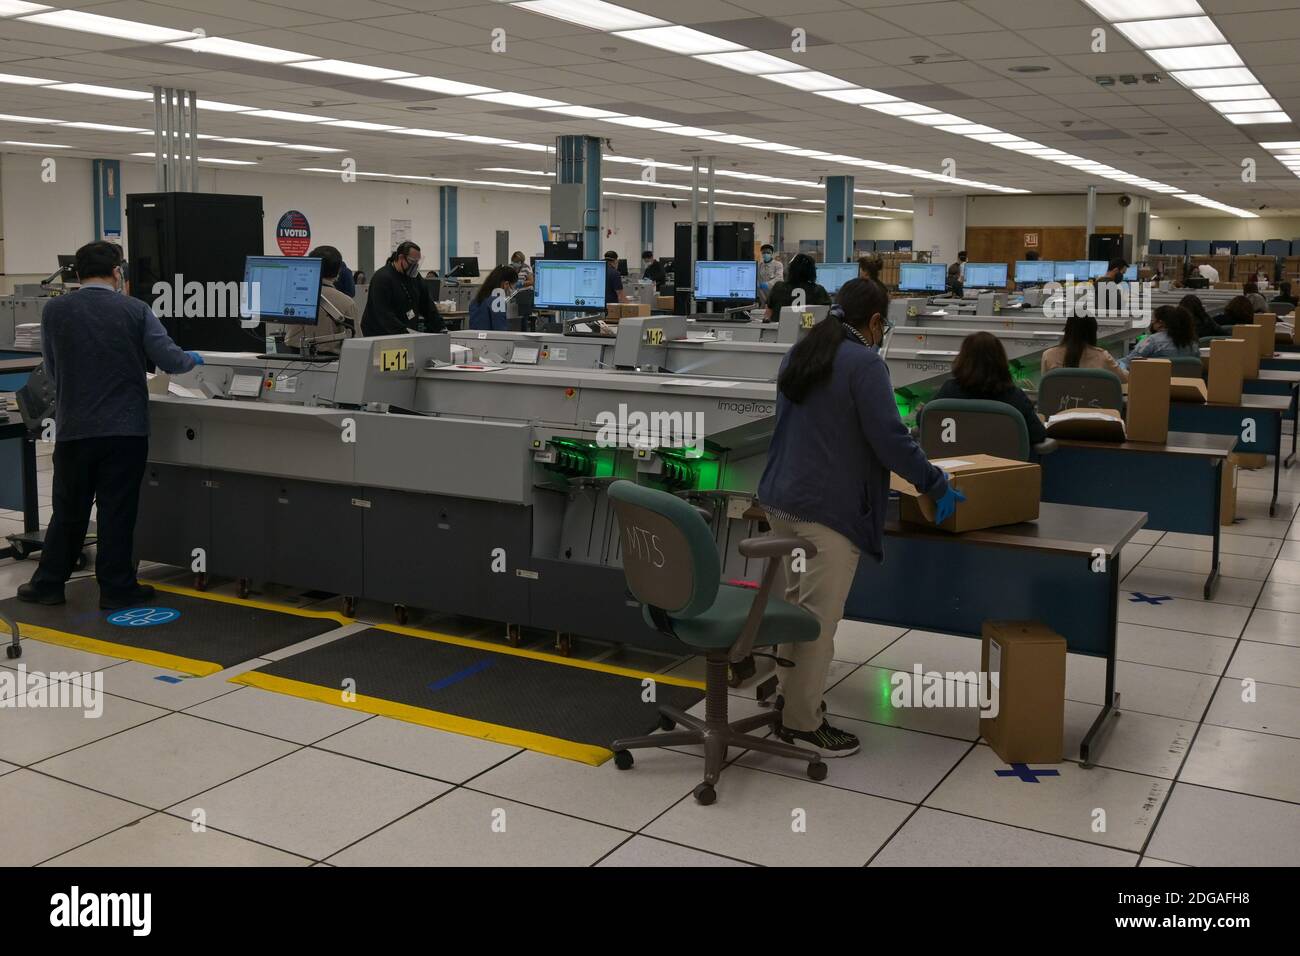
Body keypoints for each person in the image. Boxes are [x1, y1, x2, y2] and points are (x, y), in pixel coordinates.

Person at [757, 277, 962, 757]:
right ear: (873, 322)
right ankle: (803, 724)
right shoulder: (865, 363)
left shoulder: (802, 351)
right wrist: (935, 482)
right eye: (883, 324)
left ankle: (789, 706)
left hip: (779, 504)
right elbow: (891, 442)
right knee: (817, 623)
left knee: (795, 612)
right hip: (823, 515)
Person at [17, 241, 202, 610]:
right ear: (118, 272)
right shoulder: (135, 310)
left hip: (74, 429)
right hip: (125, 431)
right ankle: (116, 589)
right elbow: (169, 358)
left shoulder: (54, 310)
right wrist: (192, 359)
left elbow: (51, 368)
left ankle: (49, 584)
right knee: (117, 511)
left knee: (69, 509)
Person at [934, 332, 1048, 444]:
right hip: (1005, 462)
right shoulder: (1014, 396)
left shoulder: (948, 391)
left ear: (963, 359)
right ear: (1001, 360)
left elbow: (925, 420)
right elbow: (1038, 435)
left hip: (957, 460)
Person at [360, 241, 444, 336]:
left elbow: (427, 305)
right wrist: (405, 333)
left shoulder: (415, 277)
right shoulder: (382, 278)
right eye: (412, 262)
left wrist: (441, 327)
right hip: (380, 333)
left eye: (417, 263)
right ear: (400, 258)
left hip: (406, 332)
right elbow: (384, 314)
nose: (414, 266)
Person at [286, 245, 357, 355]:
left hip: (292, 358)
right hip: (332, 364)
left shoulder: (292, 296)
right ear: (338, 273)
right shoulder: (347, 303)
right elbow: (357, 343)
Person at [1041, 314, 1128, 383]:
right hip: (1093, 405)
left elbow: (1046, 387)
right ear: (1092, 332)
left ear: (1067, 329)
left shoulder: (1048, 355)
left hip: (1060, 404)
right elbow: (1125, 378)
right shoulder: (1102, 356)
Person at [1119, 304, 1199, 370]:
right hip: (1188, 386)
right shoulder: (1192, 342)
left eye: (1153, 321)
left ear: (1160, 323)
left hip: (1153, 385)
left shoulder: (1151, 340)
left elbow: (1129, 362)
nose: (1151, 324)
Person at [765, 253, 830, 320]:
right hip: (808, 329)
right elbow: (825, 316)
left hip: (780, 329)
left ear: (790, 270)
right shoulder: (818, 290)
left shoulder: (778, 287)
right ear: (812, 271)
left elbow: (768, 314)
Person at [468, 264, 519, 331]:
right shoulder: (498, 302)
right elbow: (501, 331)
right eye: (513, 287)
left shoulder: (476, 300)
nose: (512, 290)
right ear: (506, 284)